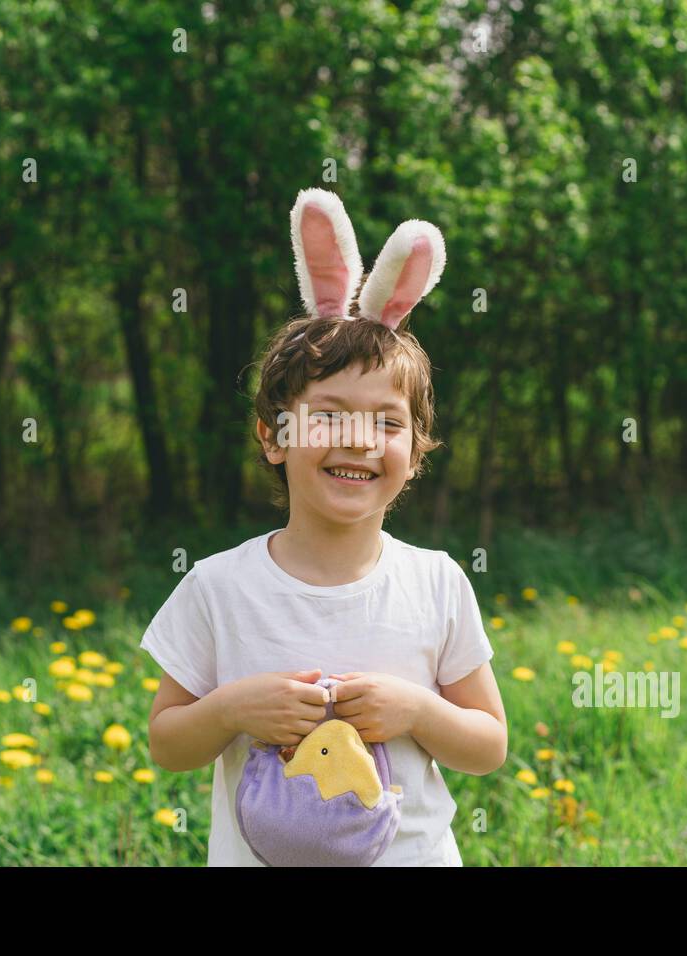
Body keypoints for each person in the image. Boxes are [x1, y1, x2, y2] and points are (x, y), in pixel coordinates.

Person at [140, 188, 507, 865]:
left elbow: (488, 744)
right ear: (274, 436)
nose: (361, 440)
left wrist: (419, 713)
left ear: (417, 450)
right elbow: (167, 745)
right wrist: (229, 711)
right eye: (330, 415)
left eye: (389, 423)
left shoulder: (436, 582)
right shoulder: (218, 587)